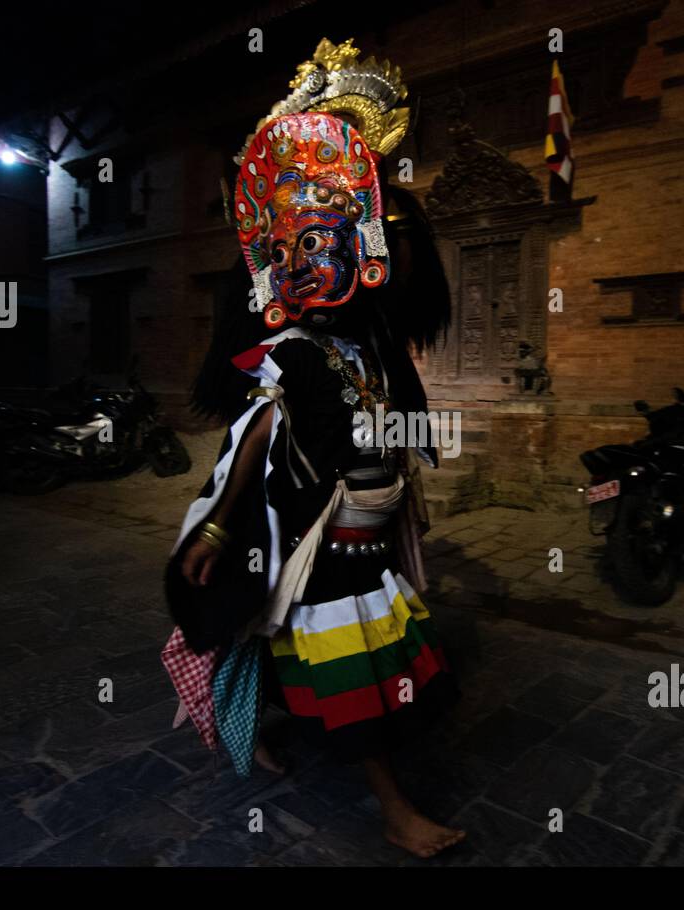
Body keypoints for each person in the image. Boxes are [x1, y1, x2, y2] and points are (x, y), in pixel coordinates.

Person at [162, 39, 464, 859]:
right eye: (297, 250)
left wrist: (408, 474)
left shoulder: (365, 345)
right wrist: (222, 525)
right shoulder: (292, 347)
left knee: (293, 643)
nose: (312, 260)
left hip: (366, 534)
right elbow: (255, 430)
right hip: (317, 537)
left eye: (324, 244)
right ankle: (394, 809)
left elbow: (385, 413)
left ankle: (252, 720)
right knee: (342, 671)